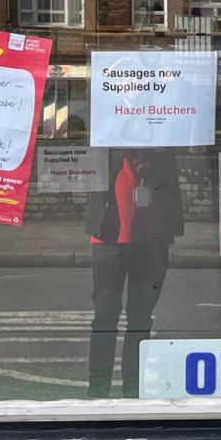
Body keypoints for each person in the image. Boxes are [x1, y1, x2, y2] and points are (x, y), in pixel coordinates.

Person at [85, 147, 182, 397]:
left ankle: (133, 386)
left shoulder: (160, 152)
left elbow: (169, 188)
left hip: (150, 241)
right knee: (104, 317)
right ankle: (98, 387)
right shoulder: (106, 148)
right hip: (108, 241)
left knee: (140, 320)